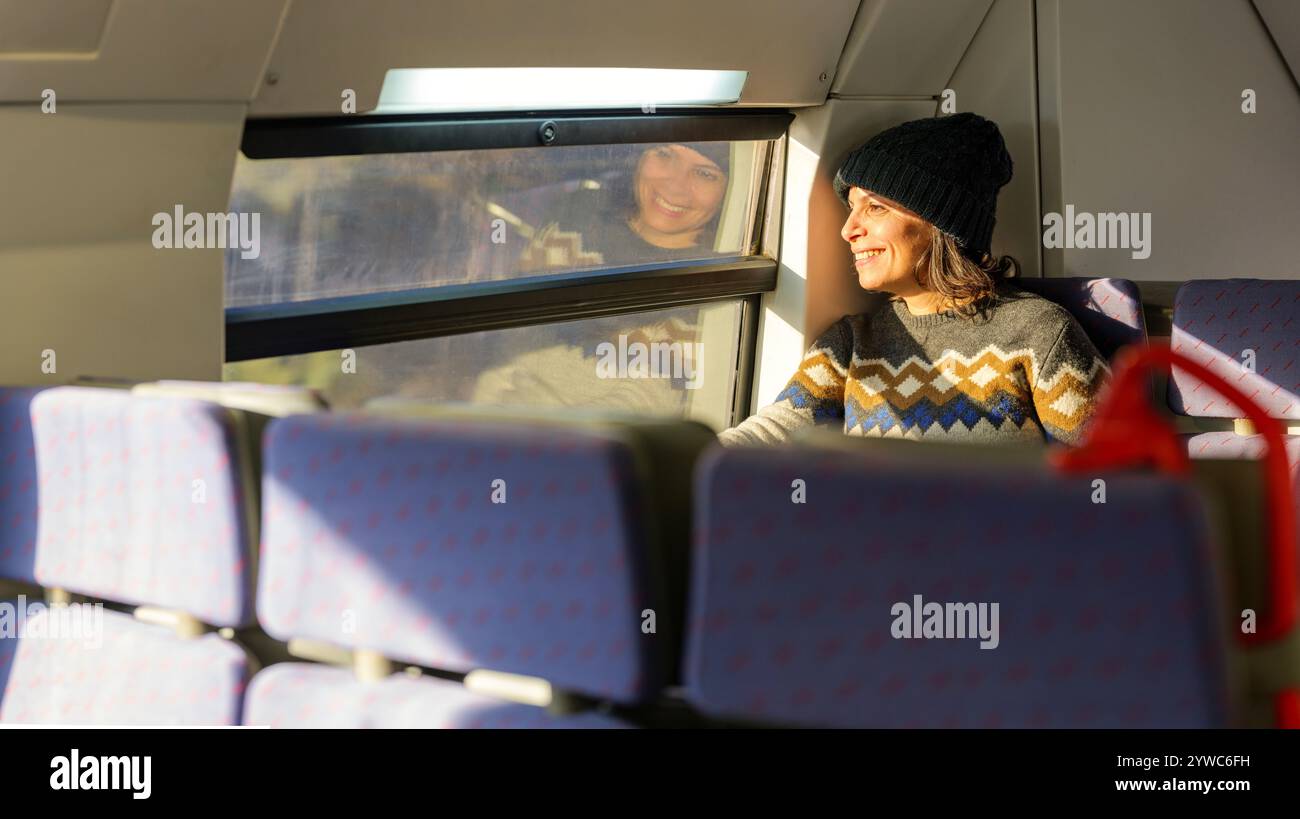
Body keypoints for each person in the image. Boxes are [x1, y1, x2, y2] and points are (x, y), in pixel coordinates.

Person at [719, 113, 1108, 446]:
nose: (848, 230)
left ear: (939, 226)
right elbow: (774, 433)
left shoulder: (1039, 333)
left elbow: (1115, 479)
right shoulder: (851, 342)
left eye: (874, 208)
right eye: (851, 208)